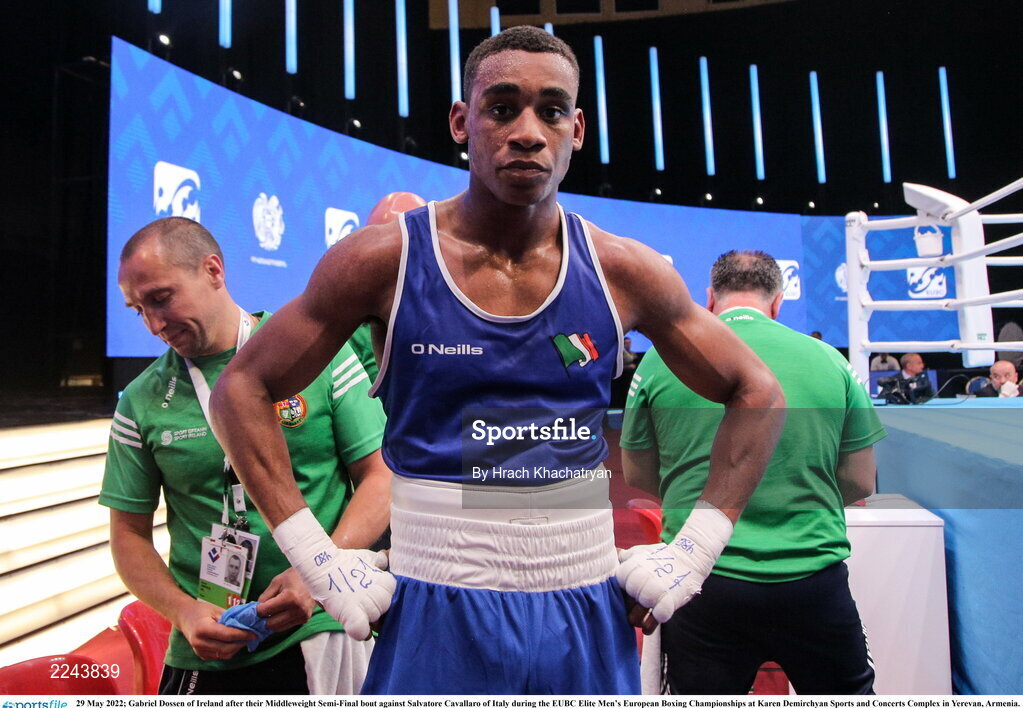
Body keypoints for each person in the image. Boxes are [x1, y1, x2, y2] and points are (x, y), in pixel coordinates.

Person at [209, 26, 784, 695]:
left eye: (550, 111)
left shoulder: (625, 270)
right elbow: (240, 388)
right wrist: (317, 558)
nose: (528, 132)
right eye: (501, 107)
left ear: (577, 128)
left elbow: (758, 391)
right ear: (462, 121)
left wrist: (695, 551)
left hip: (582, 602)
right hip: (434, 600)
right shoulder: (382, 261)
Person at [101, 217, 391, 695]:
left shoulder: (318, 353)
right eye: (138, 311)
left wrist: (318, 574)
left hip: (320, 625)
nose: (154, 324)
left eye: (161, 298)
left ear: (213, 270)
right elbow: (128, 535)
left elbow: (380, 475)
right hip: (208, 647)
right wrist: (183, 611)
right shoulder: (140, 401)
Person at [621, 250, 886, 694]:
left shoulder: (658, 362)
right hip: (813, 579)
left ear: (709, 298)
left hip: (700, 579)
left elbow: (639, 474)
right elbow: (861, 480)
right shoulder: (831, 361)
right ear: (778, 302)